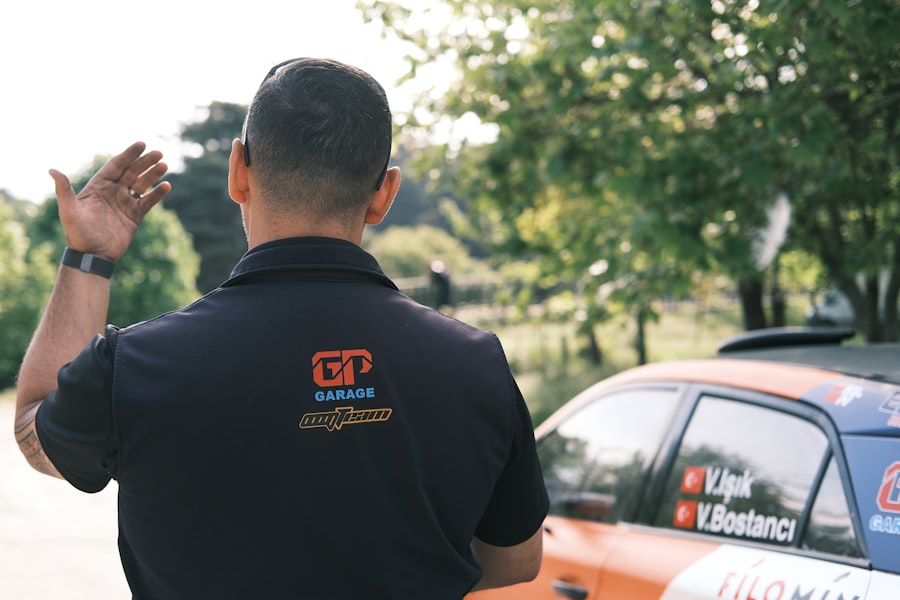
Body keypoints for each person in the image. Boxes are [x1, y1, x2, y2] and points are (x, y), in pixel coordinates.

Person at [14, 58, 548, 599]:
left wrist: (89, 257)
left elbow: (35, 422)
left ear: (238, 172)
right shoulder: (476, 363)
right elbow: (517, 561)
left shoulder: (135, 366)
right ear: (384, 193)